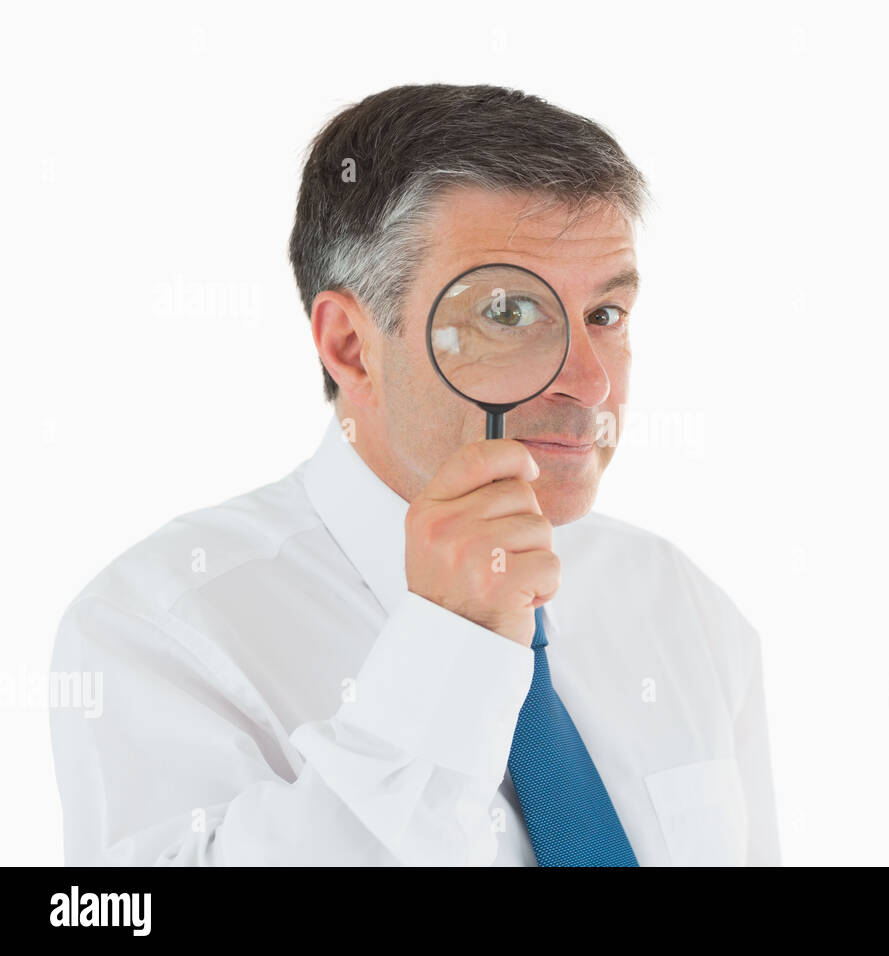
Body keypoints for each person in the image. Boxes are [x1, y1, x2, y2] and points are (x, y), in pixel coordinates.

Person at [49, 83, 780, 866]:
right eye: (509, 313)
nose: (592, 384)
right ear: (351, 346)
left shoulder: (681, 606)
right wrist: (450, 650)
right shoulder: (156, 629)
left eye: (605, 316)